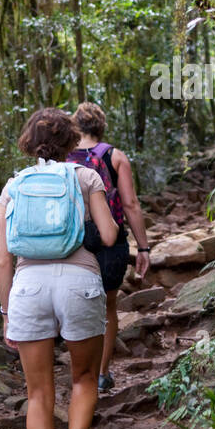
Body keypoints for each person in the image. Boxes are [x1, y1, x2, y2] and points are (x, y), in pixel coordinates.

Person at [0, 107, 119, 429]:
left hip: (28, 287)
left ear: (29, 142)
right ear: (72, 141)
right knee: (84, 378)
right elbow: (108, 235)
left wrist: (6, 313)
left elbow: (1, 262)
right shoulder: (85, 177)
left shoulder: (13, 186)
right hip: (78, 281)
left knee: (38, 396)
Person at [67, 102, 151, 394]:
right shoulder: (115, 156)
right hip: (109, 240)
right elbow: (130, 204)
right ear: (102, 127)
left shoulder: (60, 158)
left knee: (75, 308)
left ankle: (80, 373)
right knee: (108, 306)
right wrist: (143, 248)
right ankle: (102, 373)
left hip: (71, 243)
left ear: (75, 127)